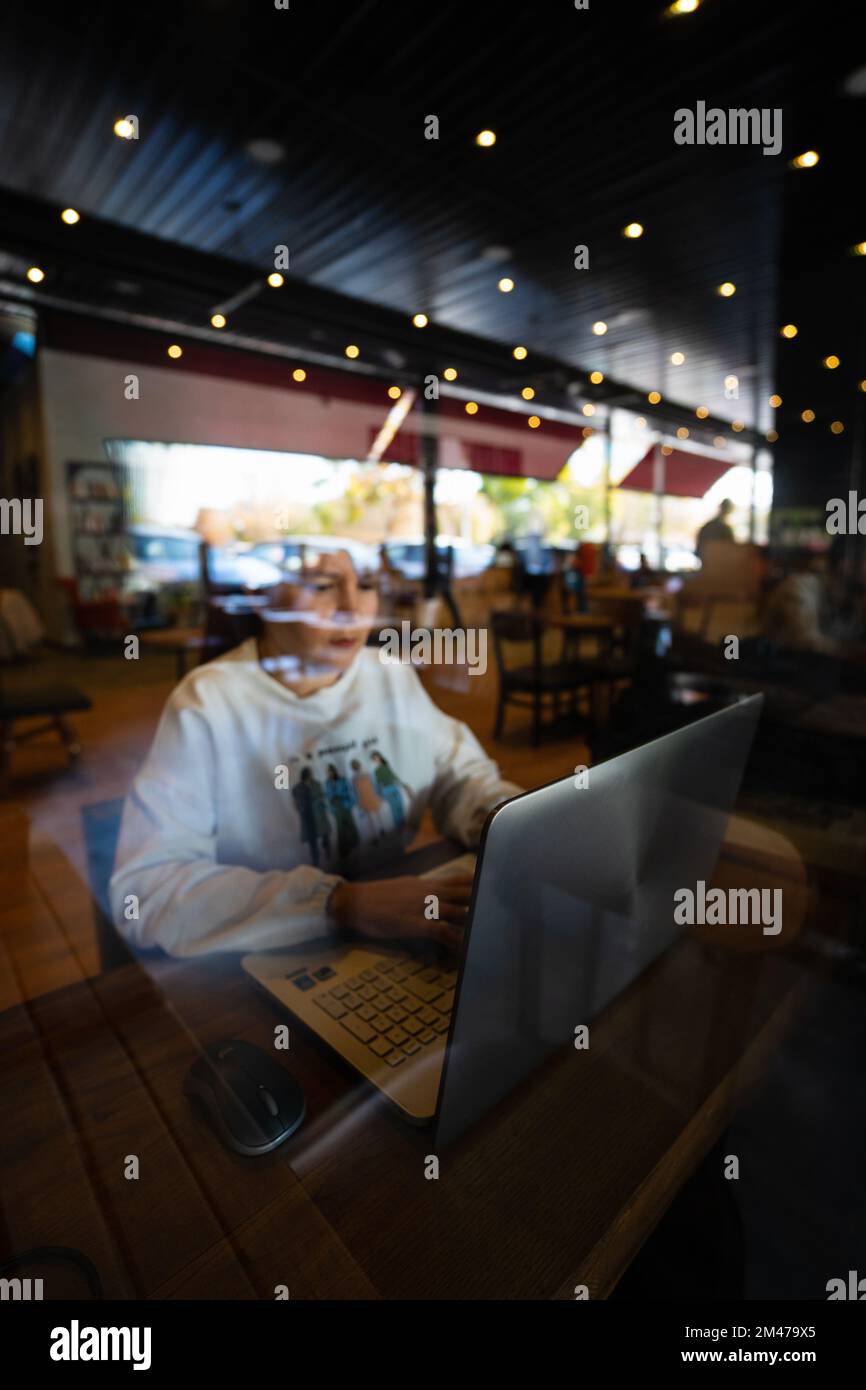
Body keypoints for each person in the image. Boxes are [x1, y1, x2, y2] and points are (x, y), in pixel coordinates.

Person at [110, 549, 521, 958]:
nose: (351, 608)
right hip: (270, 955)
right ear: (261, 595)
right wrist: (339, 904)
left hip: (398, 935)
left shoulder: (388, 675)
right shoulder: (209, 703)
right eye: (322, 586)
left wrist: (510, 822)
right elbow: (147, 889)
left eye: (366, 585)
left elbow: (460, 775)